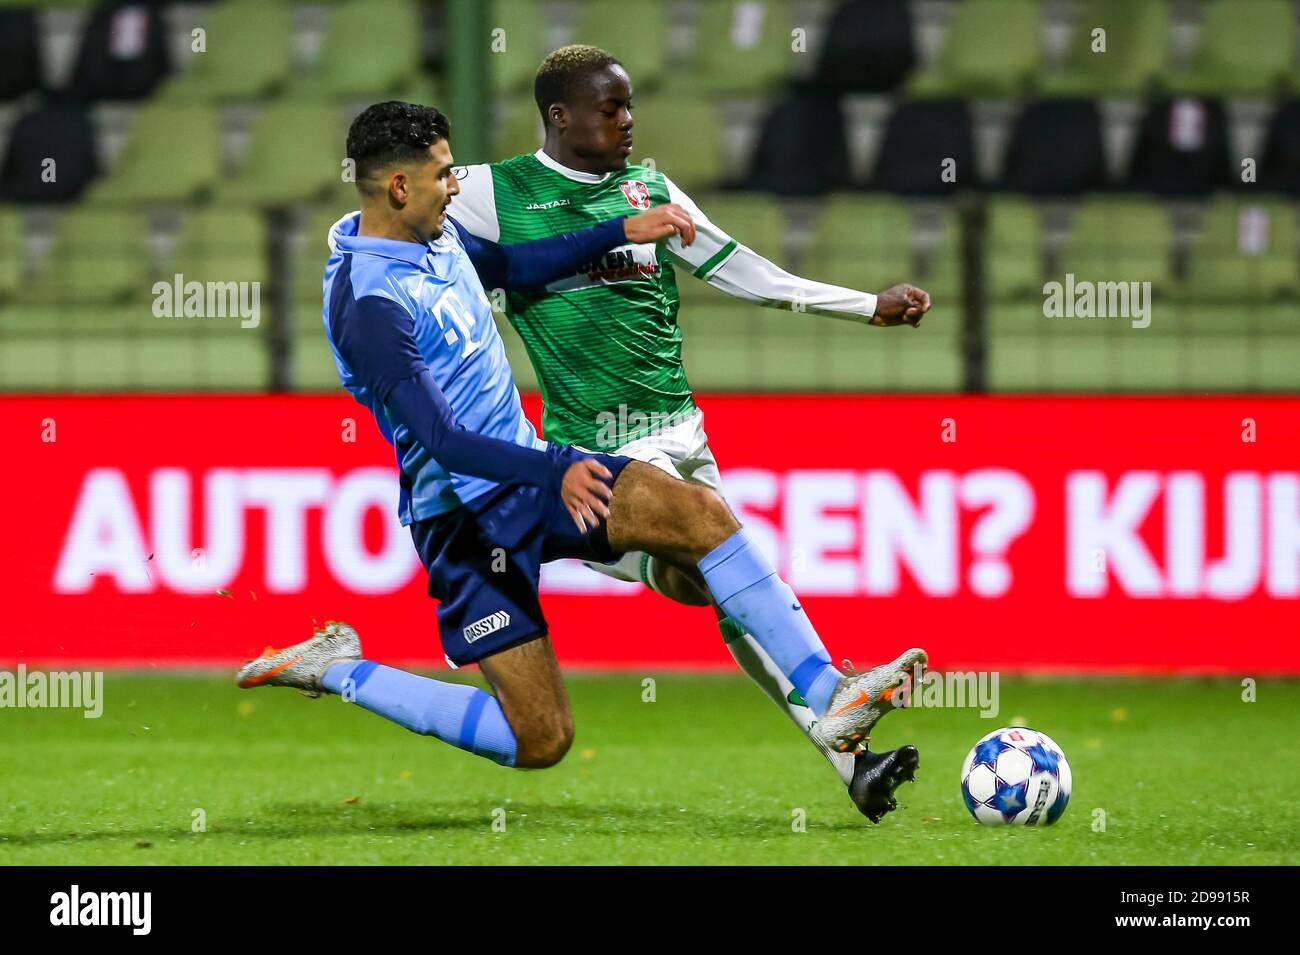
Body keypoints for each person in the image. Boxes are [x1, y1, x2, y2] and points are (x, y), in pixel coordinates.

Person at [236, 101, 924, 823]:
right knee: (540, 738)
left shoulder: (435, 236)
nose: (455, 184)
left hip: (531, 469)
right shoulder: (367, 303)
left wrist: (619, 232)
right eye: (444, 174)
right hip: (466, 520)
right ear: (400, 187)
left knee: (698, 512)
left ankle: (829, 696)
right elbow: (441, 440)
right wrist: (552, 471)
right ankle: (337, 668)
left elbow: (511, 265)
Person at [440, 45, 933, 815]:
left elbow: (743, 270)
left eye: (631, 106)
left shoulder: (650, 187)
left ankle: (852, 766)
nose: (629, 121)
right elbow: (408, 215)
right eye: (611, 109)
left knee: (723, 590)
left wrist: (865, 305)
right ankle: (832, 694)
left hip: (683, 433)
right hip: (604, 448)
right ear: (561, 116)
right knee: (723, 562)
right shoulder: (492, 190)